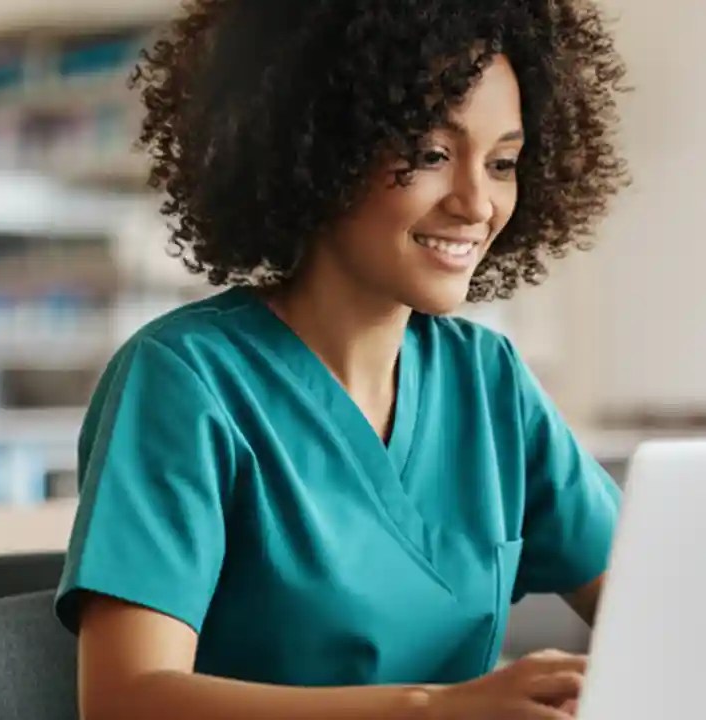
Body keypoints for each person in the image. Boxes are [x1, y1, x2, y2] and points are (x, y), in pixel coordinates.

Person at [55, 0, 629, 717]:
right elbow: (124, 701)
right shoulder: (187, 380)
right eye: (430, 155)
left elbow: (661, 613)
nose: (477, 202)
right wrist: (434, 710)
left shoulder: (488, 382)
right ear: (324, 148)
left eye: (504, 162)